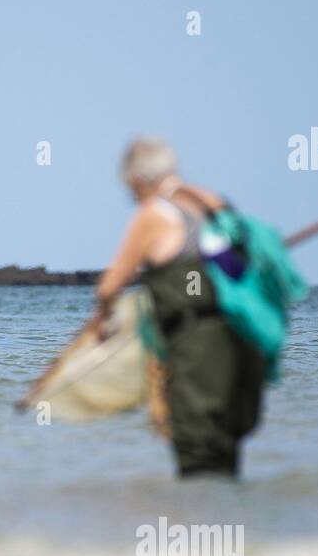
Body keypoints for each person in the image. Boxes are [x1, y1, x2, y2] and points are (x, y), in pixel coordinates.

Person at [91, 138, 266, 478]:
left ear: (138, 181)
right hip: (243, 340)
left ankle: (199, 529)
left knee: (197, 452)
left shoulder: (153, 214)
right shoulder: (212, 202)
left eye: (129, 188)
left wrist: (103, 318)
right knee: (226, 451)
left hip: (198, 347)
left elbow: (110, 286)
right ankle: (234, 527)